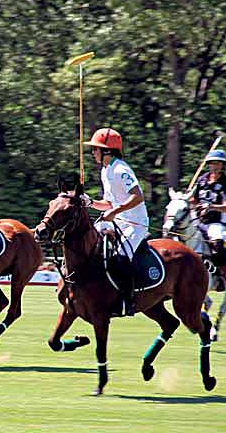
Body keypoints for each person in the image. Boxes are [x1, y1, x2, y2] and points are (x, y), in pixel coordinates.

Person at [84, 127, 149, 316]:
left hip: (134, 223)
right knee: (87, 240)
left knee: (120, 258)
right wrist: (90, 203)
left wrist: (115, 212)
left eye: (95, 148)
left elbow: (138, 196)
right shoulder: (106, 171)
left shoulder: (121, 169)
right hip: (117, 220)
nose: (92, 152)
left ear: (107, 150)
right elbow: (109, 203)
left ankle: (127, 301)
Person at [190, 149, 226, 292]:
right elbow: (193, 200)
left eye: (218, 164)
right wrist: (188, 199)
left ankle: (221, 276)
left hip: (215, 222)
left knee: (216, 243)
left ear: (223, 165)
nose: (214, 166)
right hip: (198, 220)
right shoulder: (202, 180)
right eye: (212, 163)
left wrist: (211, 207)